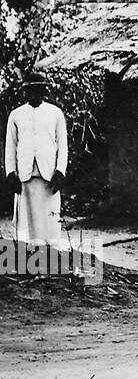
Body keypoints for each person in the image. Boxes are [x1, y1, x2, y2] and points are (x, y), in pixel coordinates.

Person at [5, 74, 68, 250]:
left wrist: (60, 171)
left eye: (38, 90)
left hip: (48, 174)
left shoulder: (55, 113)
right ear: (25, 92)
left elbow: (62, 145)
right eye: (30, 90)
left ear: (44, 91)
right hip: (24, 174)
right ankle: (28, 252)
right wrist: (11, 173)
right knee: (26, 218)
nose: (34, 94)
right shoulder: (16, 115)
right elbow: (10, 146)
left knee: (50, 216)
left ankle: (51, 251)